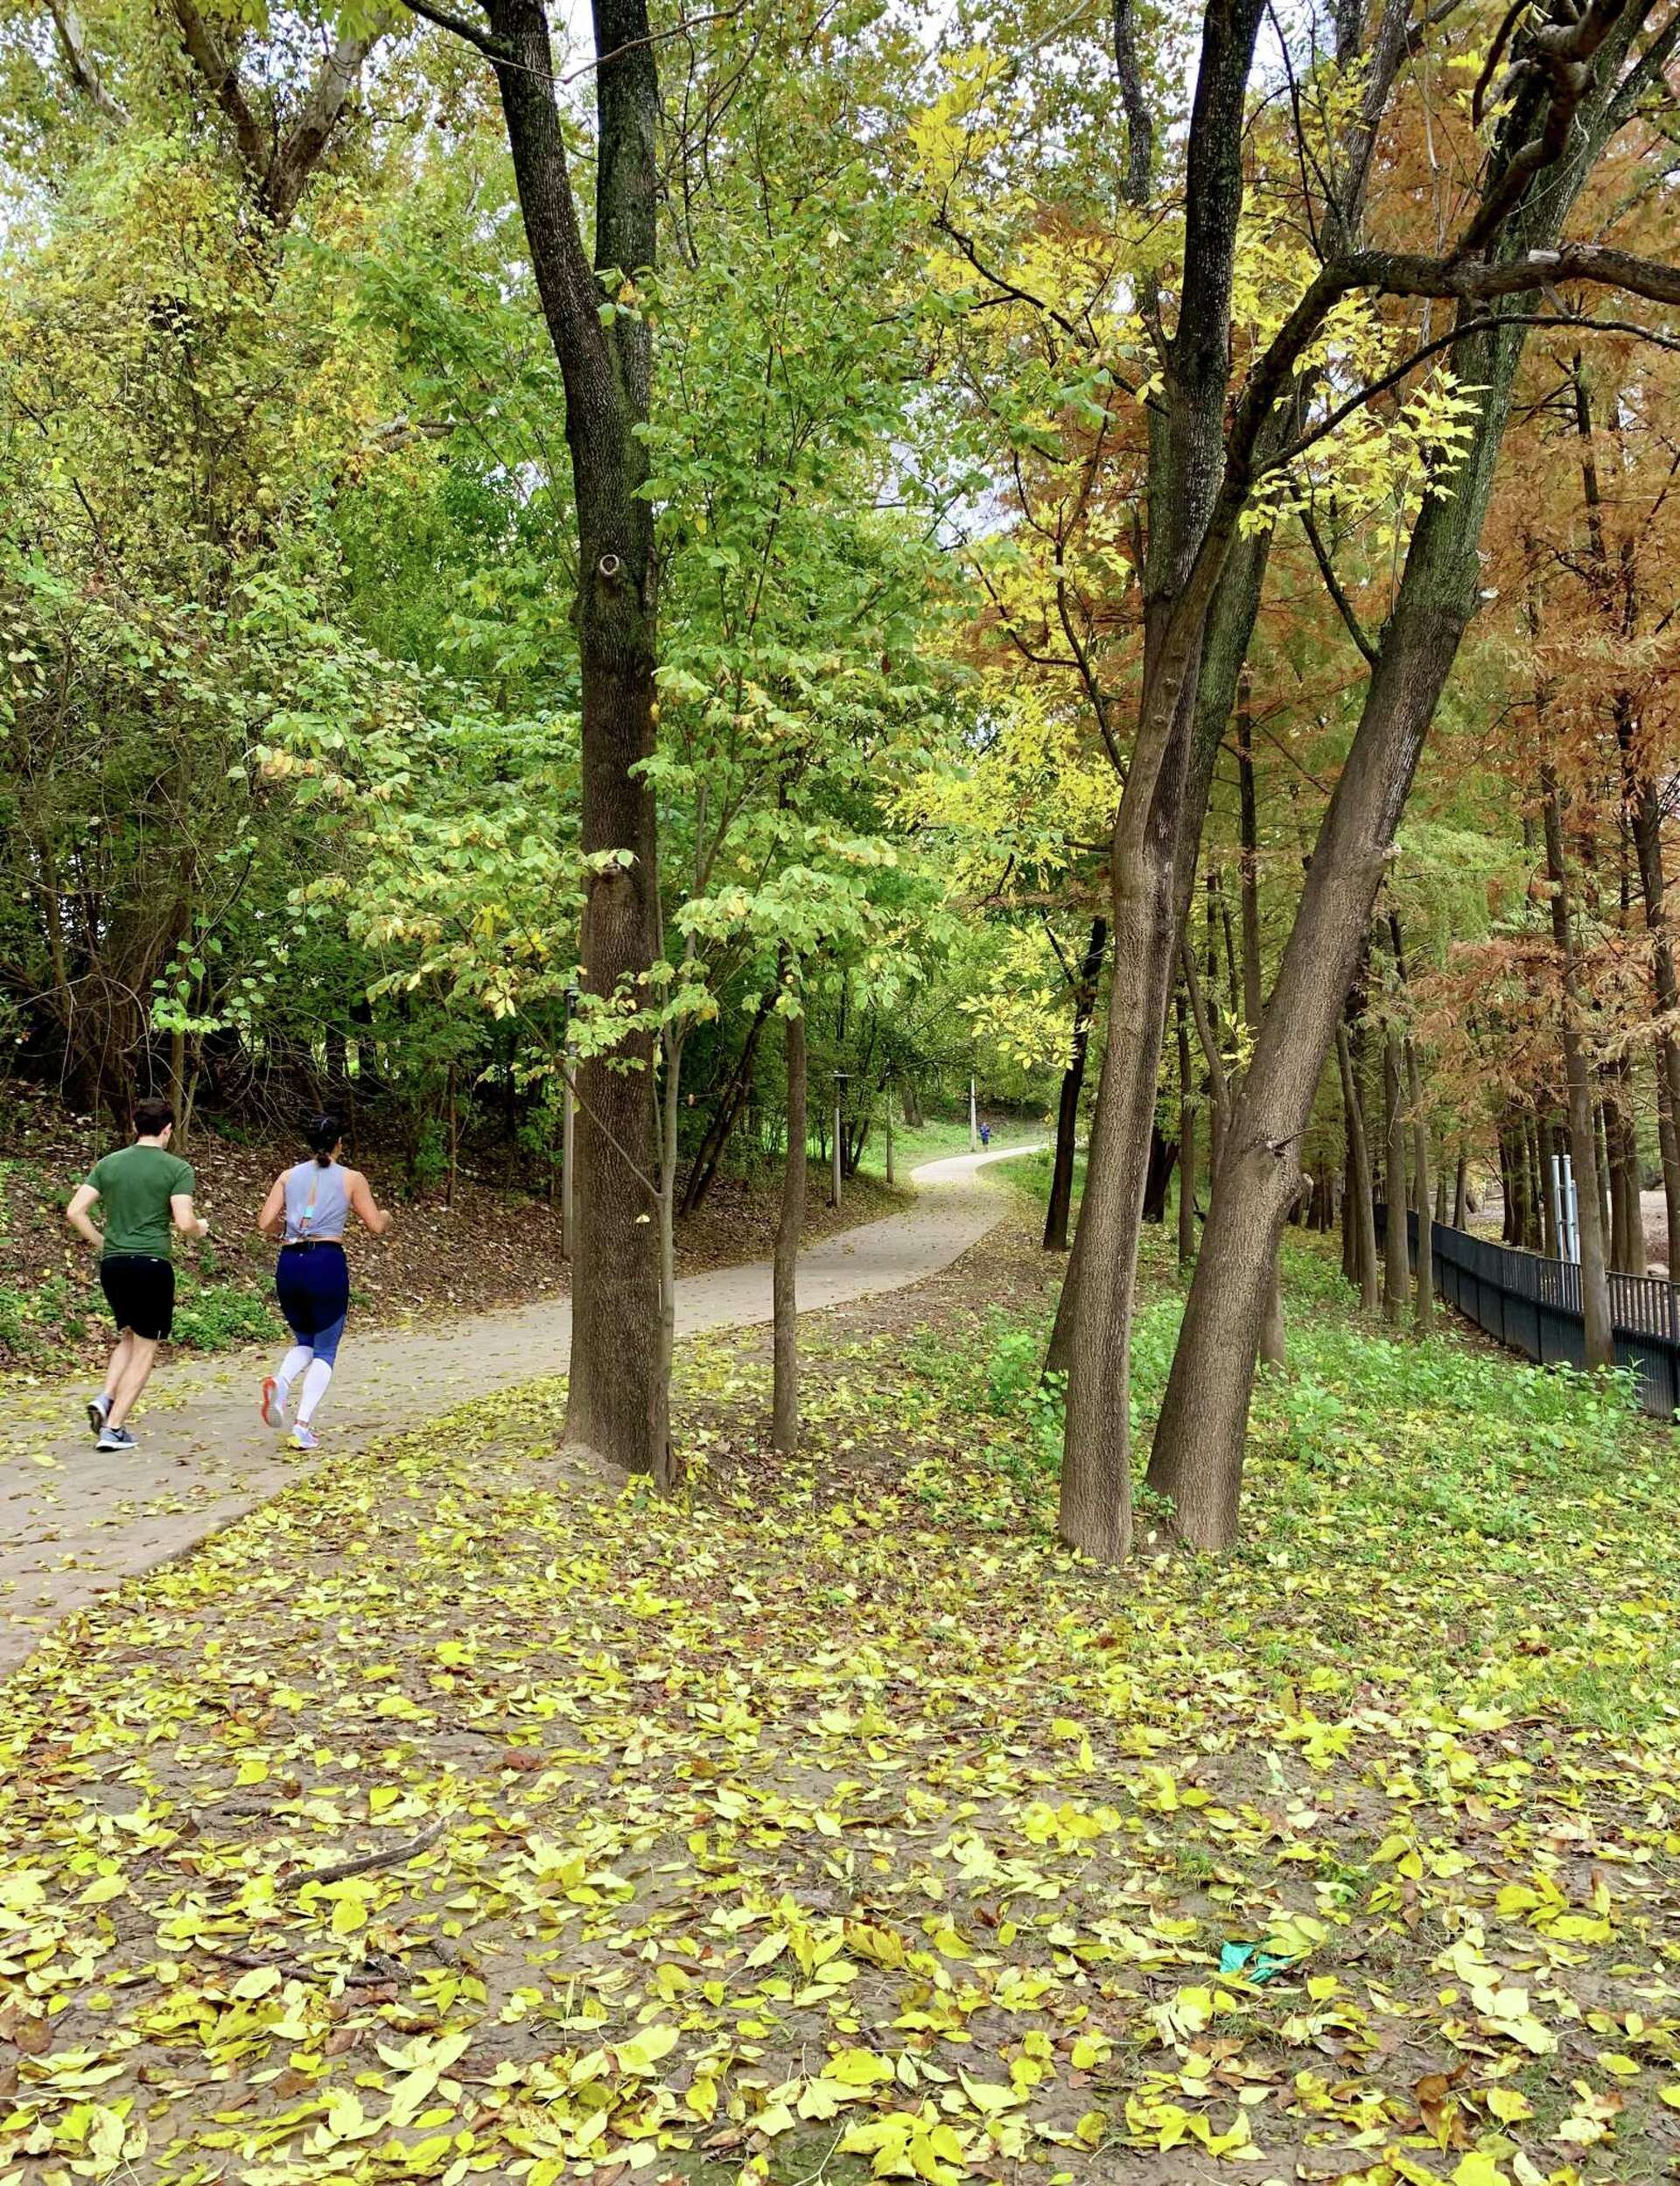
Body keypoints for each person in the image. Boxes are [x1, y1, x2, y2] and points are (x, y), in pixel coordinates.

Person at [65, 1096, 208, 1454]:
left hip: (114, 1265)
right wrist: (200, 1229)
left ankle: (105, 1397)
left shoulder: (109, 1164)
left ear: (134, 1126)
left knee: (129, 1335)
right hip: (151, 1265)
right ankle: (113, 1429)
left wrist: (103, 1242)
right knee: (146, 1347)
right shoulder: (177, 1169)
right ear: (168, 1129)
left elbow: (75, 1211)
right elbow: (185, 1221)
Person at [256, 1114, 390, 1451]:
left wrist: (286, 1232)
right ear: (339, 1143)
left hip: (290, 1263)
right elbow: (375, 1225)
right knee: (326, 1349)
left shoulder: (288, 1176)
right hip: (326, 1263)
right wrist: (387, 1217)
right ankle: (301, 1426)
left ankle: (282, 1380)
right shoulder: (352, 1178)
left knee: (305, 1339)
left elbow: (265, 1222)